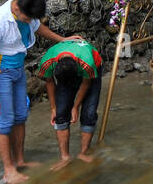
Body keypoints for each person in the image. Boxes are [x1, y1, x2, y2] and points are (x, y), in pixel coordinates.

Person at [0, 0, 80, 184]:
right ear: (16, 9)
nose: (28, 22)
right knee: (4, 121)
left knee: (20, 116)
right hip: (0, 72)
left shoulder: (25, 9)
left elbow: (37, 27)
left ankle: (20, 161)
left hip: (18, 69)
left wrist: (62, 40)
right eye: (25, 19)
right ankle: (9, 171)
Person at [37, 38, 103, 169]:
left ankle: (83, 152)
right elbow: (49, 82)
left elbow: (85, 83)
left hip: (94, 66)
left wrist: (75, 107)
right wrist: (53, 108)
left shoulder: (87, 63)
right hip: (66, 71)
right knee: (60, 113)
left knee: (89, 112)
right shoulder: (47, 62)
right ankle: (65, 157)